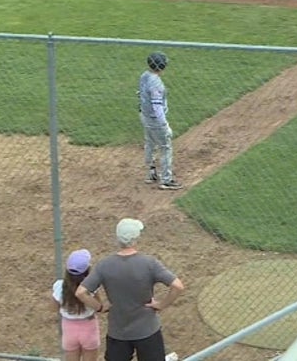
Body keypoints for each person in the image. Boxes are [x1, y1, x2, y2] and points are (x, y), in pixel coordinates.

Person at [76, 218, 185, 361]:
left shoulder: (104, 265)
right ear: (135, 238)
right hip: (148, 331)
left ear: (118, 238)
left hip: (118, 333)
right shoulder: (149, 263)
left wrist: (100, 307)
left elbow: (80, 292)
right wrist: (160, 305)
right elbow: (177, 286)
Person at [52, 248, 106, 361]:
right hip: (89, 328)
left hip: (69, 329)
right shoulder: (91, 288)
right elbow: (98, 305)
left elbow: (55, 306)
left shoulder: (59, 286)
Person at [138, 52, 181, 190]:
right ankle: (166, 180)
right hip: (155, 120)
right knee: (165, 147)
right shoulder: (156, 83)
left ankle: (150, 173)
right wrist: (163, 123)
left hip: (144, 115)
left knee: (149, 143)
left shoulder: (144, 75)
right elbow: (157, 105)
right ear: (162, 66)